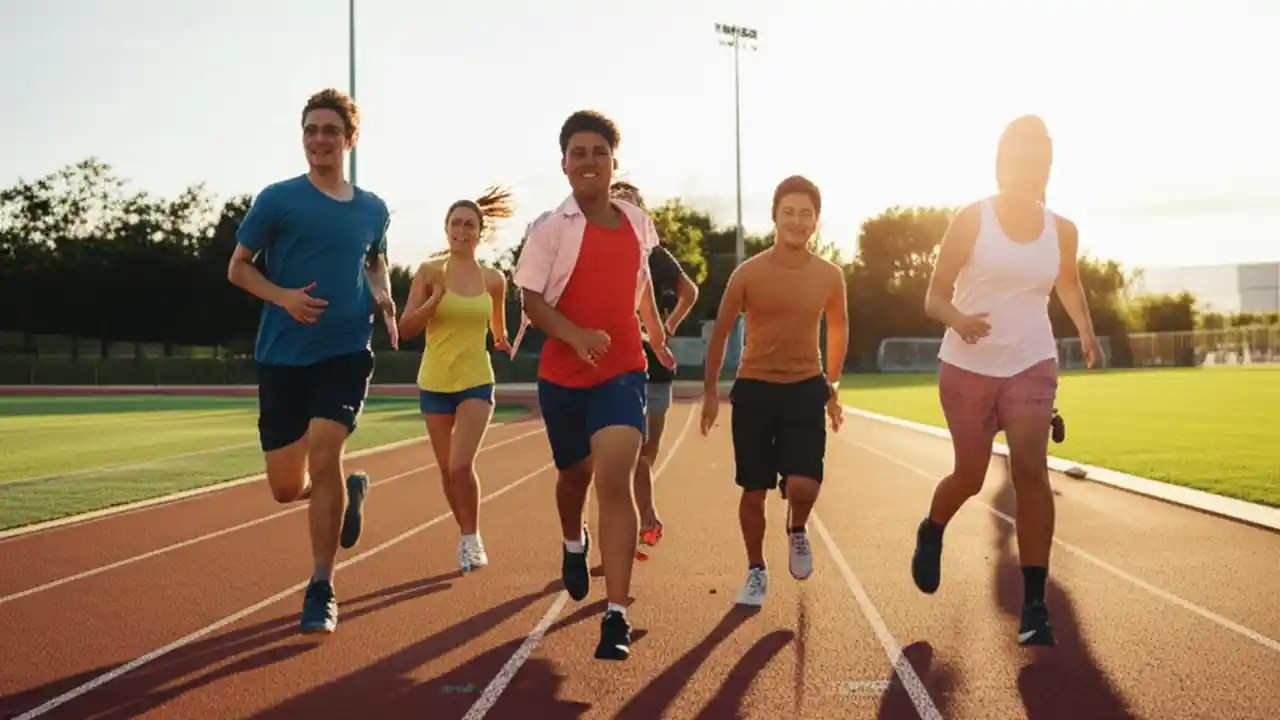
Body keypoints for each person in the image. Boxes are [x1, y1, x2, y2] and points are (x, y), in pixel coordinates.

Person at [910, 115, 1102, 647]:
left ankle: (1035, 604)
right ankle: (933, 528)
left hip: (1031, 361)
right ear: (1001, 162)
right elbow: (934, 296)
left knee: (1031, 472)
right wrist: (959, 321)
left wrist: (1085, 331)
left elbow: (1068, 283)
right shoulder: (972, 219)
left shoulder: (1062, 230)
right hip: (968, 366)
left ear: (1048, 165)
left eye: (1038, 159)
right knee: (970, 476)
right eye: (1018, 158)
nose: (1028, 168)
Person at [227, 88, 397, 634]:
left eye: (330, 131)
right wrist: (284, 298)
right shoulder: (277, 200)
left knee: (325, 453)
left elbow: (375, 260)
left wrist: (385, 295)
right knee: (284, 486)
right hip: (283, 354)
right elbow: (239, 268)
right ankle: (347, 492)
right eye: (311, 131)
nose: (319, 140)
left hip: (346, 349)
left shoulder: (373, 208)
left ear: (350, 139)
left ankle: (321, 586)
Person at [512, 109, 675, 661]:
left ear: (613, 162)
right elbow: (530, 302)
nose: (588, 161)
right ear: (564, 164)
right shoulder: (548, 229)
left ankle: (617, 615)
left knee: (615, 477)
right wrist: (575, 335)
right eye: (578, 153)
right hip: (563, 375)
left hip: (622, 369)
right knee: (573, 478)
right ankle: (572, 542)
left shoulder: (635, 223)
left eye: (598, 153)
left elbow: (641, 283)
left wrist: (654, 337)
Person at [700, 175, 848, 608]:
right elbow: (722, 331)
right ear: (775, 217)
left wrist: (833, 385)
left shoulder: (830, 276)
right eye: (789, 213)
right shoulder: (749, 273)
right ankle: (755, 569)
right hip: (755, 389)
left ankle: (796, 528)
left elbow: (838, 327)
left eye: (806, 214)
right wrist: (711, 391)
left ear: (815, 222)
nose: (797, 221)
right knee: (754, 488)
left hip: (805, 387)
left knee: (804, 486)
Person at [397, 187, 514, 573]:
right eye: (455, 224)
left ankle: (473, 537)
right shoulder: (430, 271)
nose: (461, 230)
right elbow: (405, 328)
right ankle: (465, 534)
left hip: (476, 380)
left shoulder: (494, 279)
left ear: (481, 233)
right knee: (448, 470)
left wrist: (502, 341)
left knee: (461, 465)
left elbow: (497, 328)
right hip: (434, 381)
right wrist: (433, 300)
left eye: (469, 225)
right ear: (446, 229)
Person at [607, 180, 699, 559]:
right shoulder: (591, 246)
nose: (623, 205)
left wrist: (667, 327)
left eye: (630, 201)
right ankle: (636, 520)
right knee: (616, 454)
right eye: (617, 200)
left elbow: (689, 292)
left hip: (654, 366)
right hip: (610, 363)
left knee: (645, 453)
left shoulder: (657, 256)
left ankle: (641, 518)